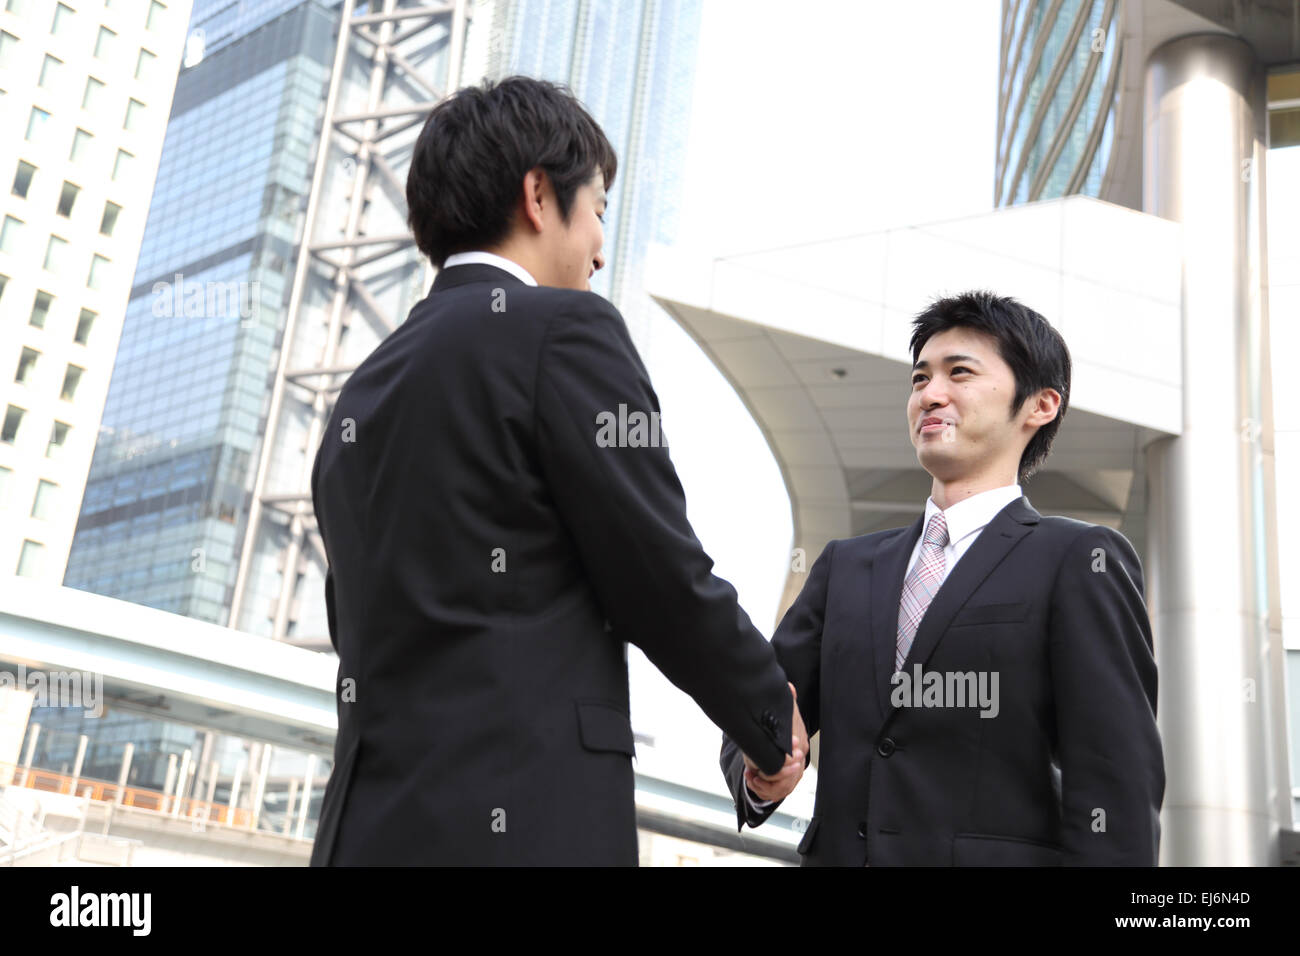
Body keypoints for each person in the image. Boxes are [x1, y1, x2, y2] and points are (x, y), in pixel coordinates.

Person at [308, 75, 805, 866]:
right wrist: (769, 719)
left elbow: (357, 621)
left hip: (363, 830)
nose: (602, 250)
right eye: (599, 211)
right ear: (539, 195)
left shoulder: (359, 392)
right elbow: (657, 568)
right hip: (523, 820)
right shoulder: (565, 333)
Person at [721, 291, 1165, 865]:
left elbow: (1116, 783)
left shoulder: (1080, 559)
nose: (930, 394)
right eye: (919, 378)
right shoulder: (845, 567)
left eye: (960, 373)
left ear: (1040, 405)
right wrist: (759, 770)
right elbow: (763, 703)